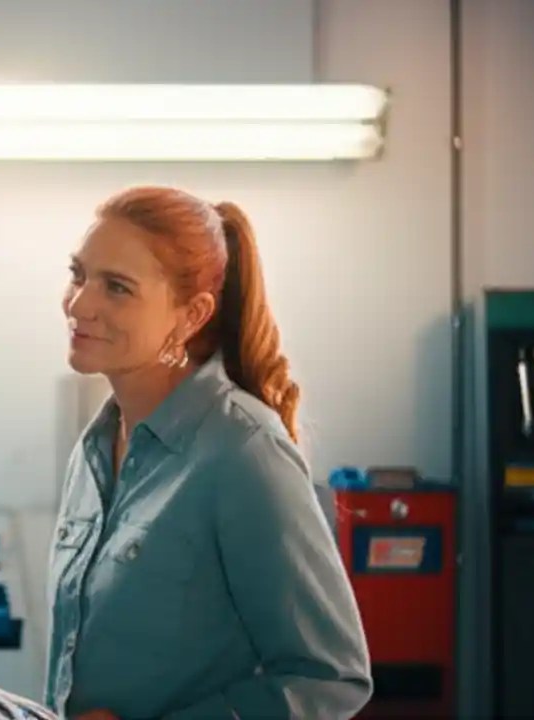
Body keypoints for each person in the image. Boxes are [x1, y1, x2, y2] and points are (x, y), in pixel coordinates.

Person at [47, 186, 372, 719]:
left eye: (118, 287)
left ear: (192, 314)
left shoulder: (245, 452)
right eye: (79, 274)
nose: (79, 304)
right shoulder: (95, 449)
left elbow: (329, 678)